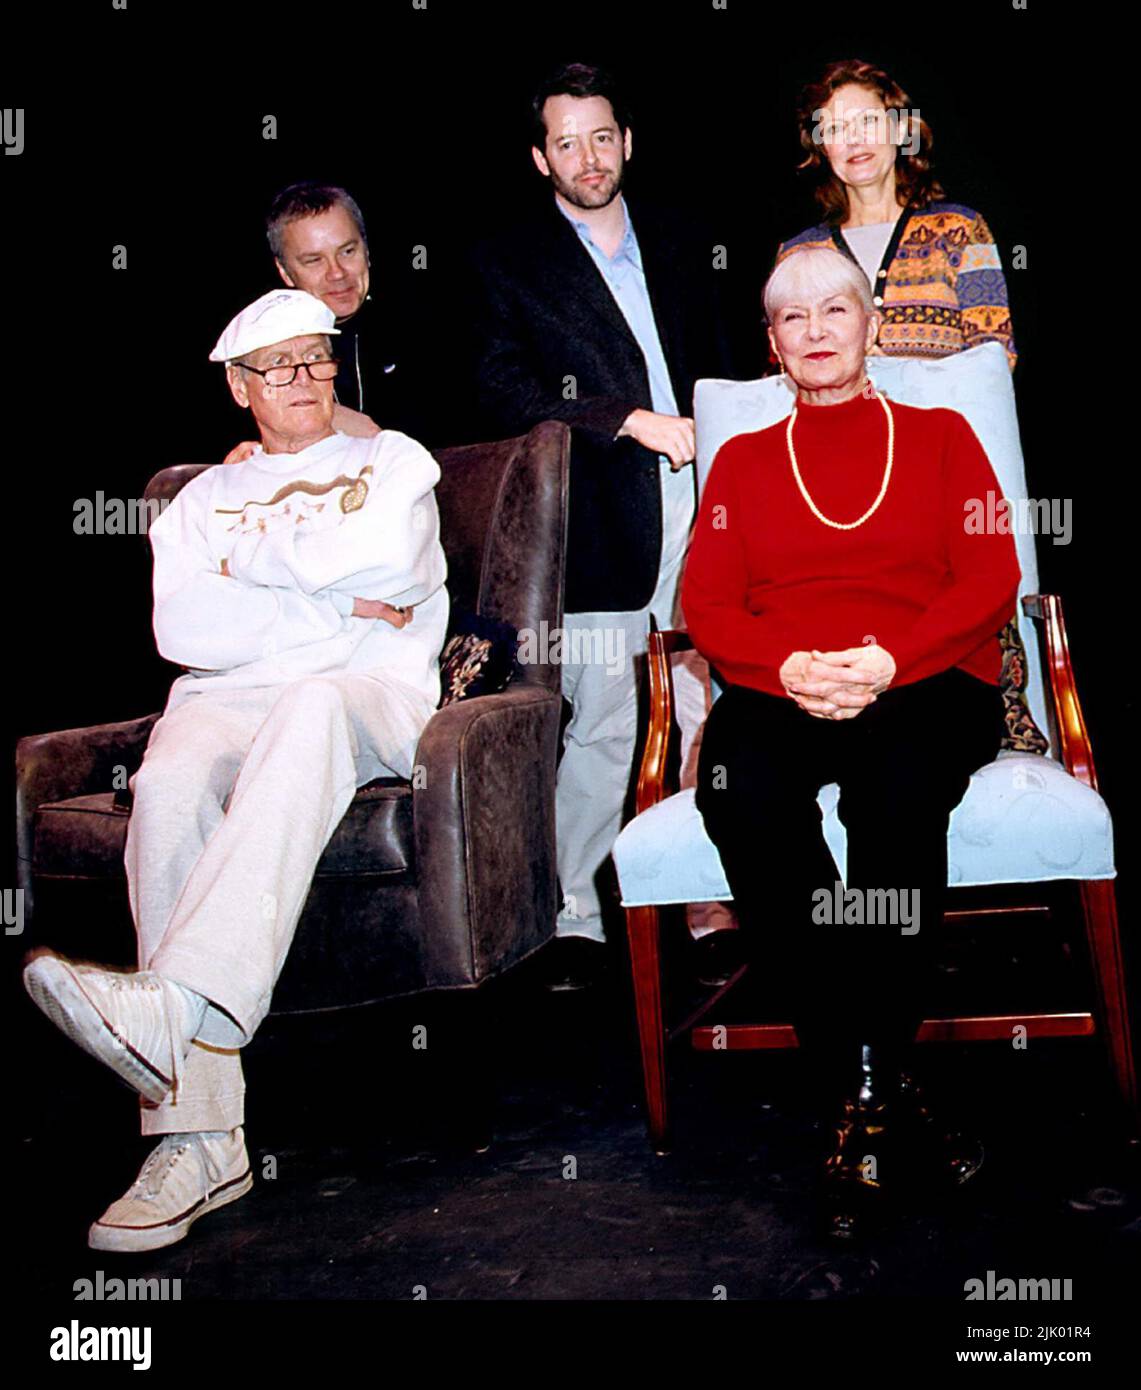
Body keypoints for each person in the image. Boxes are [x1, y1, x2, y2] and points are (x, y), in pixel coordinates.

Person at [24, 288, 449, 1252]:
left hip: (365, 691)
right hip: (234, 691)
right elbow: (186, 628)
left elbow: (388, 565)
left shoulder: (394, 462)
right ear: (237, 387)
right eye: (278, 368)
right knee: (169, 781)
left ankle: (168, 1007)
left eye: (316, 359)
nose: (303, 381)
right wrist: (328, 607)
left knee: (307, 706)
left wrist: (262, 585)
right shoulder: (200, 499)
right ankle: (198, 1139)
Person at [682, 246, 1019, 1238]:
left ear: (870, 323)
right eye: (794, 318)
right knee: (739, 792)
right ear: (774, 344)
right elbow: (703, 601)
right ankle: (871, 1073)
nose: (818, 329)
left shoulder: (944, 433)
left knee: (895, 793)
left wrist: (889, 659)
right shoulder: (744, 458)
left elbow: (988, 571)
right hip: (781, 678)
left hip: (925, 671)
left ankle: (862, 1081)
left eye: (836, 308)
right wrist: (787, 666)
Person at [468, 62, 733, 987]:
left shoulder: (685, 239)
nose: (588, 156)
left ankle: (704, 901)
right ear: (540, 158)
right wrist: (624, 420)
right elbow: (498, 388)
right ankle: (572, 918)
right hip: (601, 525)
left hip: (715, 503)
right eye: (566, 141)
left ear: (628, 141)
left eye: (602, 136)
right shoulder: (506, 261)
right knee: (609, 723)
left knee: (709, 703)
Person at [778, 57, 1045, 756]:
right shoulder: (797, 252)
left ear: (901, 130)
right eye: (834, 126)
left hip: (940, 478)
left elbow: (994, 360)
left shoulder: (961, 230)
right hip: (835, 485)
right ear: (817, 144)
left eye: (868, 119)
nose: (853, 138)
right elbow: (784, 380)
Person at [223, 182, 432, 463]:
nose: (337, 273)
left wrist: (374, 439)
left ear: (367, 251)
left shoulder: (423, 323)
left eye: (347, 252)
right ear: (284, 271)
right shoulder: (255, 345)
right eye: (314, 261)